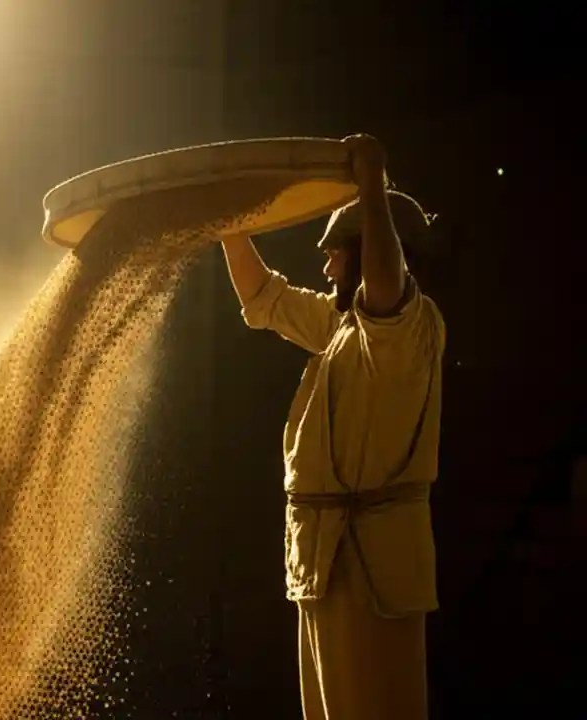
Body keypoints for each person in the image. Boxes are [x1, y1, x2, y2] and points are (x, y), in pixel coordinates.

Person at [218, 134, 444, 720]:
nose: (325, 265)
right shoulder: (342, 327)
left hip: (372, 568)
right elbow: (264, 298)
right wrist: (223, 224)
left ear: (369, 248)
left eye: (335, 253)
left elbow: (387, 286)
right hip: (324, 558)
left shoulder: (406, 330)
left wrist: (372, 183)